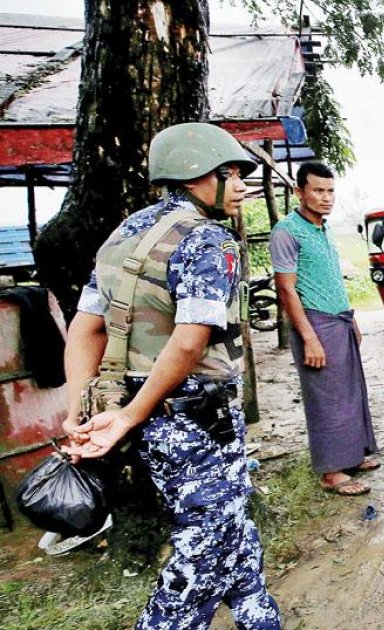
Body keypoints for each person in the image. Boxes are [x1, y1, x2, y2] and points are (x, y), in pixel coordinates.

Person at [62, 122, 282, 629]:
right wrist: (127, 417)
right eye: (231, 174)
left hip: (146, 413)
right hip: (193, 414)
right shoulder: (209, 241)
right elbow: (189, 341)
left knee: (230, 517)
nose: (242, 186)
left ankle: (258, 616)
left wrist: (81, 408)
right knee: (205, 543)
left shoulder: (124, 234)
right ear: (195, 173)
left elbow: (85, 328)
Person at [269, 161, 379, 496]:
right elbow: (286, 289)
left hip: (339, 320)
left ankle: (352, 456)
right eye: (318, 190)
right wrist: (309, 338)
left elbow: (332, 279)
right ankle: (332, 472)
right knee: (326, 397)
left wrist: (351, 319)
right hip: (314, 323)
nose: (326, 197)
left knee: (349, 391)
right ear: (299, 192)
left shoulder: (325, 228)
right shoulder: (287, 231)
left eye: (330, 191)